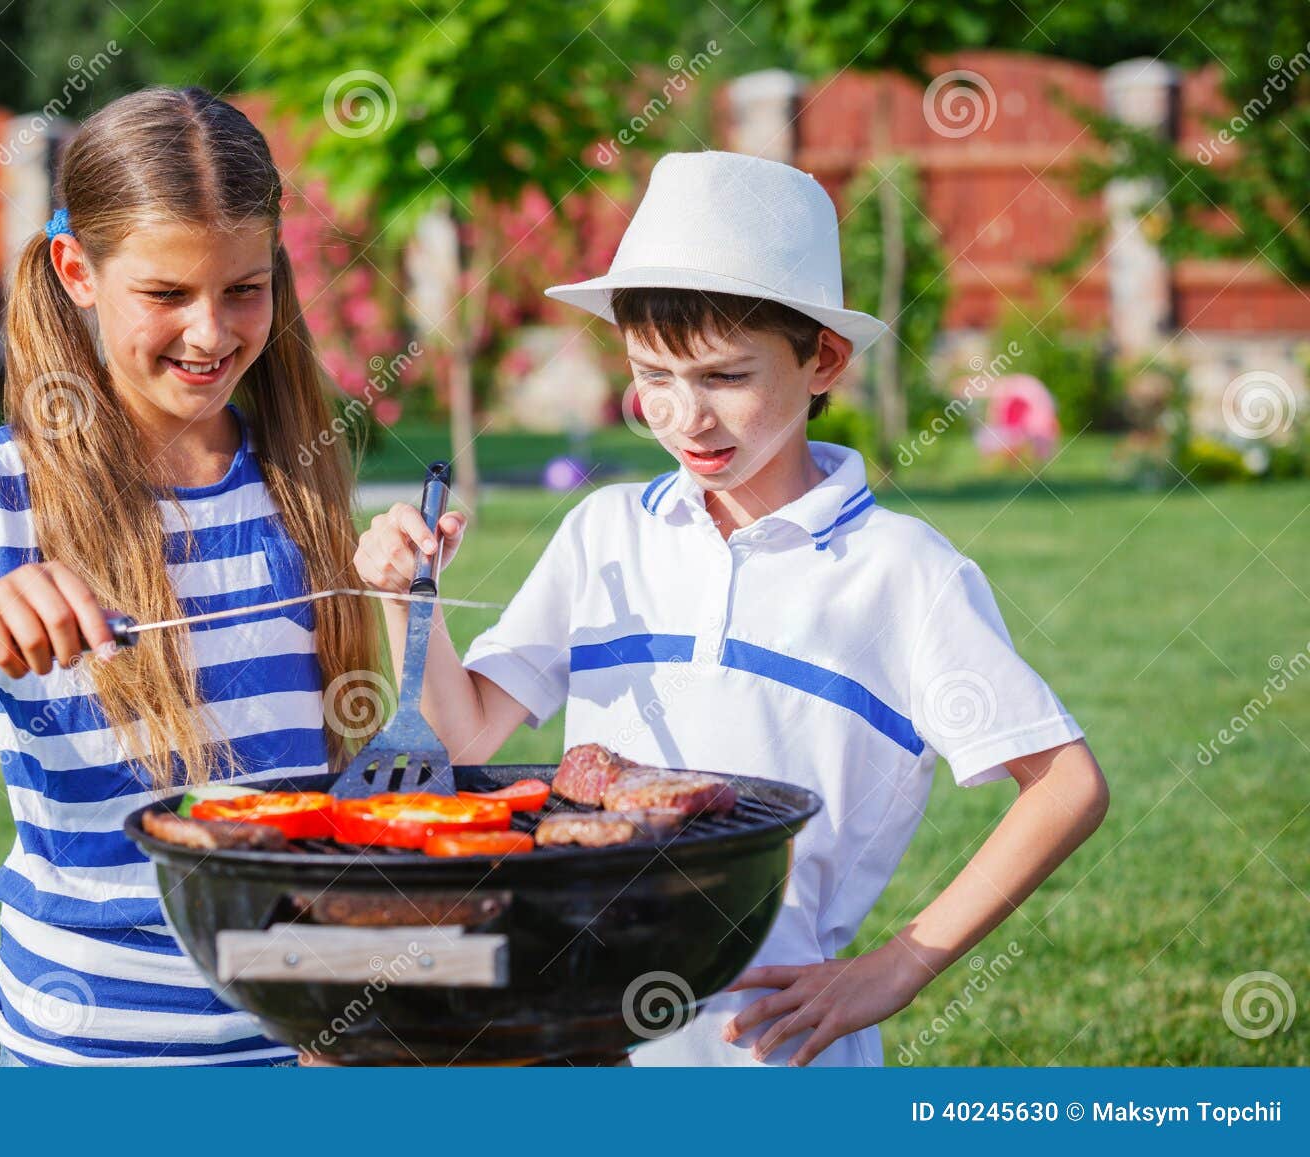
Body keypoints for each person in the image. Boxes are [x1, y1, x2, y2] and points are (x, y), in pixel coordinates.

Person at [354, 150, 1110, 1067]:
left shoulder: (901, 573)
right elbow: (464, 737)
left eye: (723, 378)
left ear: (822, 357)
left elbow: (1066, 786)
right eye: (654, 377)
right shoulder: (607, 534)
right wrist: (407, 601)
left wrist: (899, 965)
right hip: (581, 1034)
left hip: (770, 1053)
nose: (686, 418)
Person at [0, 86, 376, 1066]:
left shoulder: (295, 467)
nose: (211, 331)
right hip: (93, 1057)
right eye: (166, 294)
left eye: (243, 286)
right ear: (78, 270)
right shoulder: (4, 485)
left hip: (299, 1041)